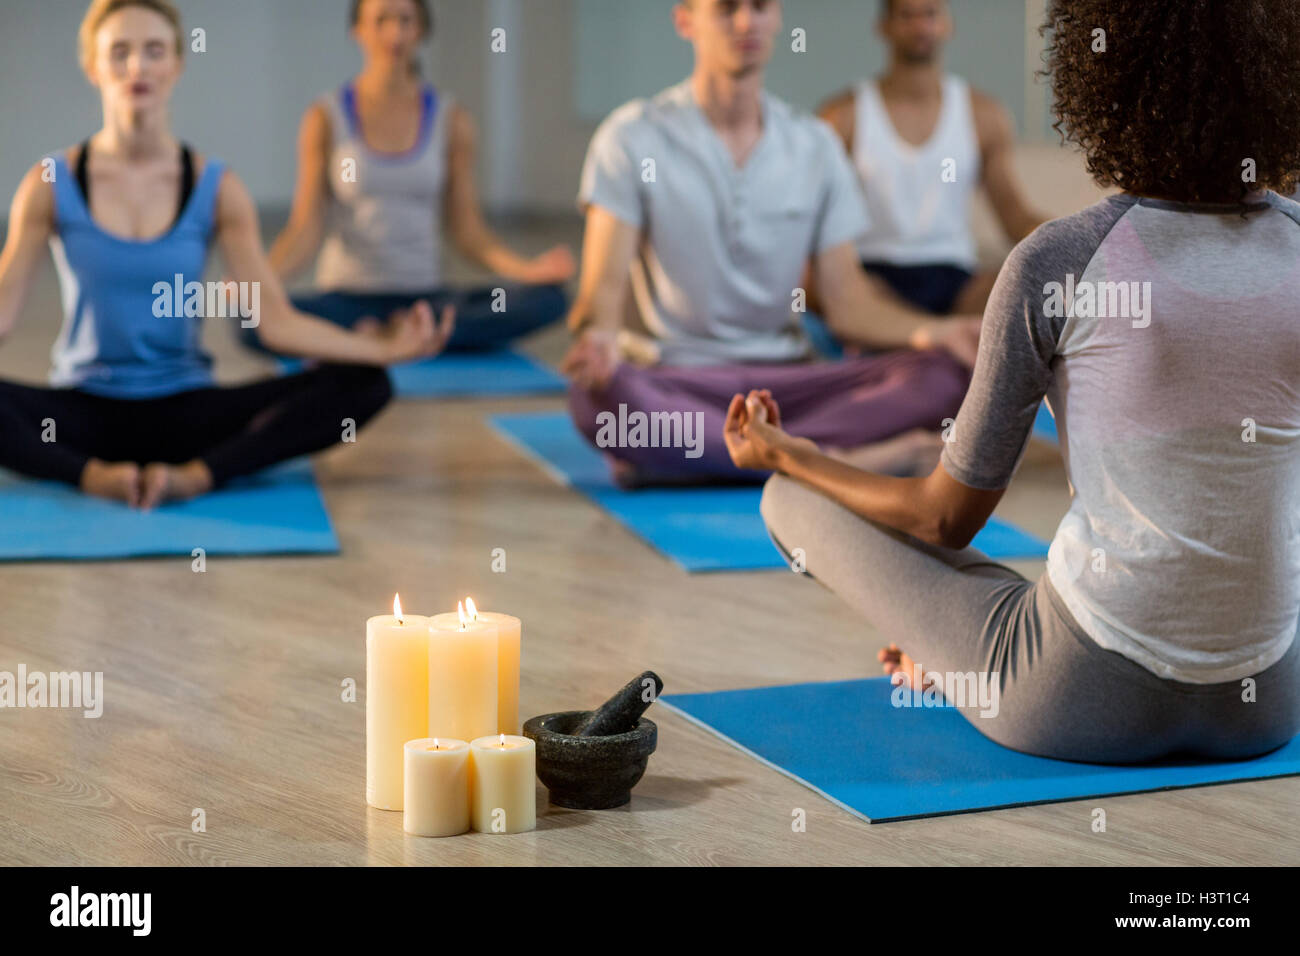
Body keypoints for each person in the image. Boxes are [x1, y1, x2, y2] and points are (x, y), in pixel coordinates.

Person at [728, 0, 1300, 763]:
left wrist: (784, 453)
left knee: (790, 499)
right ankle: (960, 658)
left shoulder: (1059, 260)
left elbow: (944, 525)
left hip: (1077, 704)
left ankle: (959, 662)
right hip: (1265, 711)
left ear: (1104, 80)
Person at [0, 0, 451, 510]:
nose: (137, 68)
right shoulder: (49, 183)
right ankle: (93, 477)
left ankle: (197, 476)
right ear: (93, 66)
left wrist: (383, 351)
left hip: (189, 415)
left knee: (365, 386)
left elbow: (275, 322)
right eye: (120, 52)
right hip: (80, 417)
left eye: (154, 51)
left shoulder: (216, 186)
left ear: (177, 63)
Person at [563, 0, 981, 486]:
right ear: (685, 19)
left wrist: (938, 332)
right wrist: (598, 339)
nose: (747, 22)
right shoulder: (631, 138)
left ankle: (696, 458)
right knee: (598, 401)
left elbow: (849, 305)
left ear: (777, 17)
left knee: (949, 375)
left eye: (760, 6)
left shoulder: (814, 145)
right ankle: (844, 461)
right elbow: (601, 296)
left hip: (789, 385)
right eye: (726, 9)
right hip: (679, 378)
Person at [260, 0, 574, 356]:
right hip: (345, 303)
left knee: (549, 300)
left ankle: (386, 336)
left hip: (424, 300)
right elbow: (304, 229)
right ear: (357, 31)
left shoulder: (450, 119)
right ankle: (405, 337)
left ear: (421, 30)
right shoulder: (325, 117)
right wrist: (257, 282)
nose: (395, 33)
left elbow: (470, 233)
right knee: (249, 317)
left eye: (405, 21)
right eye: (381, 21)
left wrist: (528, 270)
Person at [816, 0, 1048, 323]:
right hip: (872, 281)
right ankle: (928, 336)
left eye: (930, 14)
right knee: (821, 283)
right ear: (883, 26)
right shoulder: (843, 116)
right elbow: (815, 222)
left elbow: (1013, 215)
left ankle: (924, 335)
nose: (920, 26)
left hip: (957, 285)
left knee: (1023, 281)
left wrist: (1063, 239)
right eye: (906, 15)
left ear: (947, 24)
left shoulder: (985, 116)